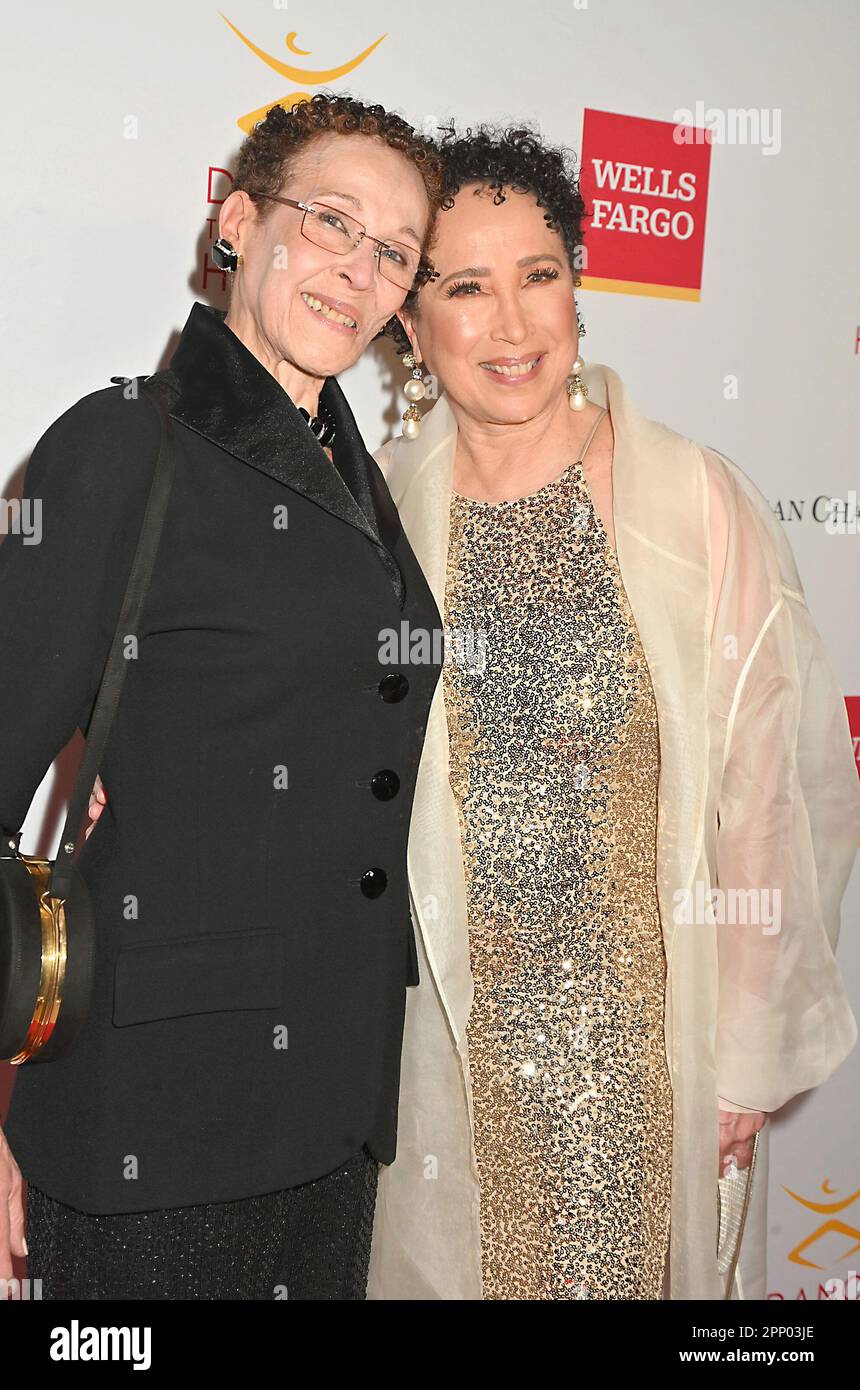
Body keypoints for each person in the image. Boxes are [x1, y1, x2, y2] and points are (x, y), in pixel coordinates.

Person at [360, 124, 859, 1299]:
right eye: (465, 288)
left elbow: (767, 792)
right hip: (436, 1064)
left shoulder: (690, 500)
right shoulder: (374, 520)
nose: (513, 323)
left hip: (646, 1068)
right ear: (412, 326)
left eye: (540, 276)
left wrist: (744, 1060)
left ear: (580, 287)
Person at [0, 92, 446, 1300]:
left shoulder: (362, 475)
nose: (360, 270)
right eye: (333, 221)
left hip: (335, 1109)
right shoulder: (120, 446)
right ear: (240, 221)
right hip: (158, 1112)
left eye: (395, 251)